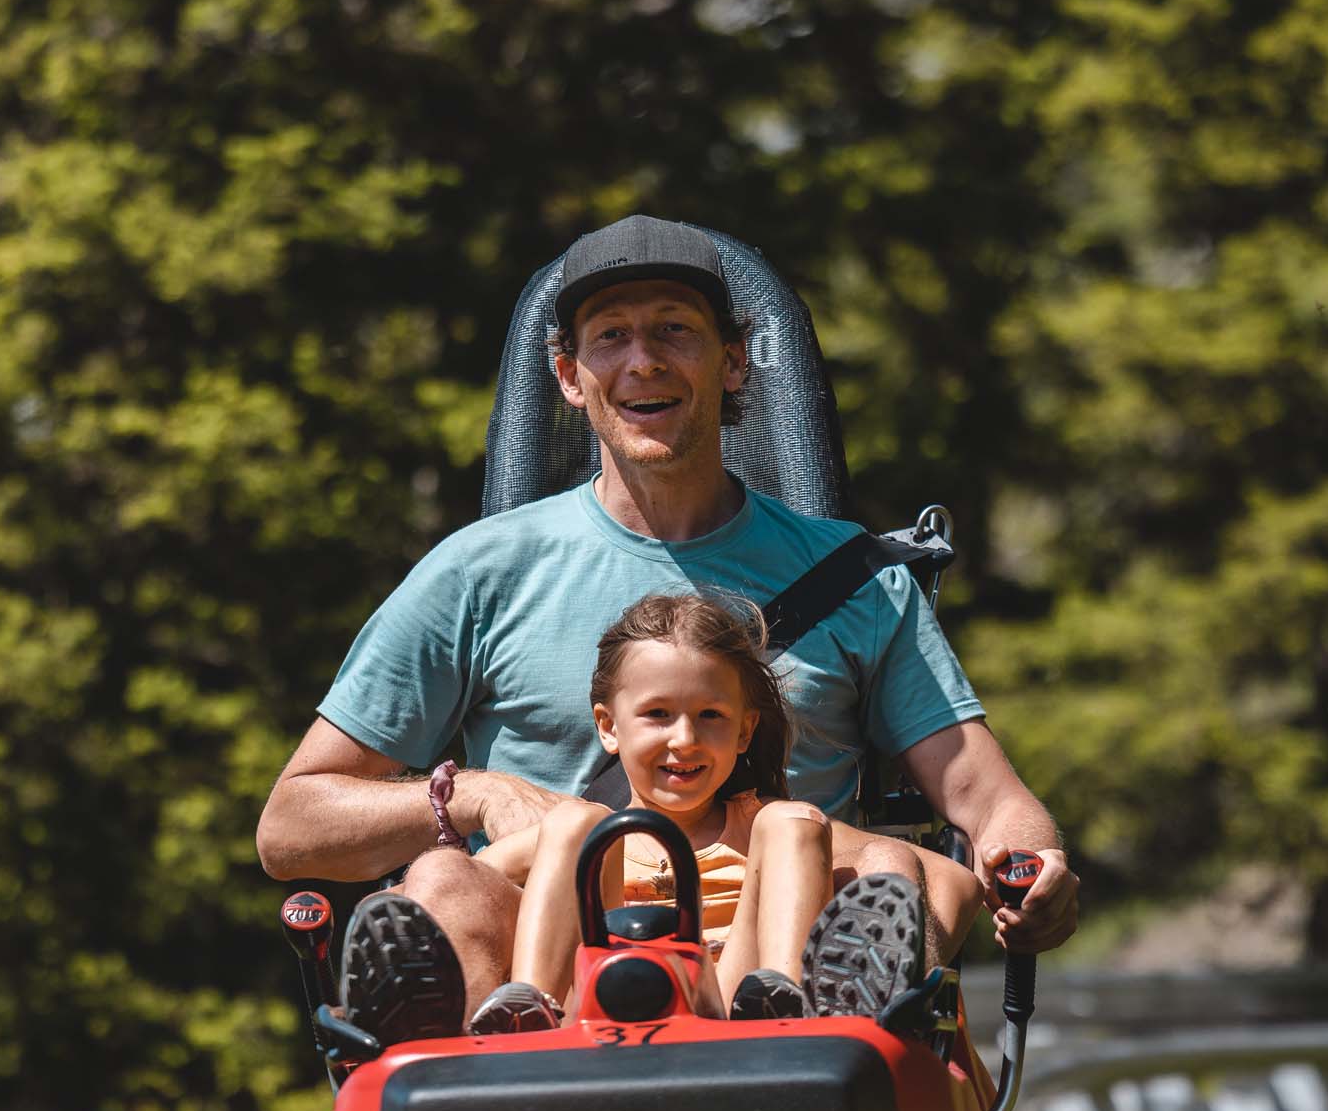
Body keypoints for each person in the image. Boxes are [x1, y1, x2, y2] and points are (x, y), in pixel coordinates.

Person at [256, 214, 1077, 1042]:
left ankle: (837, 1047)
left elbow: (989, 800)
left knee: (895, 871)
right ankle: (475, 1087)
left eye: (674, 331)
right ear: (570, 376)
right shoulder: (476, 574)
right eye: (610, 335)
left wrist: (1033, 866)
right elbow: (290, 826)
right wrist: (474, 793)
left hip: (773, 950)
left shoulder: (863, 581)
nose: (642, 360)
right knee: (437, 881)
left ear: (730, 362)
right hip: (555, 978)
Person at [478, 591, 843, 1026]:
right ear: (609, 727)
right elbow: (462, 885)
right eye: (658, 714)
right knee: (579, 823)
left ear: (744, 731)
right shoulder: (576, 836)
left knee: (792, 821)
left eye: (710, 714)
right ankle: (531, 1010)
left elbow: (943, 876)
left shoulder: (762, 826)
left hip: (728, 1014)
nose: (685, 739)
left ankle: (788, 1002)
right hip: (602, 1010)